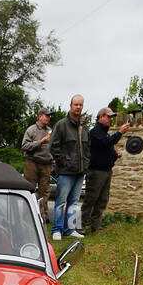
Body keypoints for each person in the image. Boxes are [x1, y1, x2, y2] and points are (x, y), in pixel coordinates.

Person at [83, 108, 130, 232]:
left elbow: (105, 150)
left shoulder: (105, 133)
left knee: (102, 200)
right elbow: (105, 143)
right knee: (91, 199)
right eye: (108, 117)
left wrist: (115, 155)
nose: (110, 120)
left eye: (111, 117)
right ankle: (80, 225)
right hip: (96, 172)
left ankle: (96, 226)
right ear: (101, 117)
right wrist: (119, 133)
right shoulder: (95, 132)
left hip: (107, 171)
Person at [49, 94, 89, 240]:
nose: (78, 107)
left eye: (81, 105)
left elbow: (87, 148)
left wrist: (86, 163)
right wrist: (63, 162)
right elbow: (53, 146)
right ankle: (57, 230)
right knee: (60, 202)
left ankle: (70, 229)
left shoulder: (84, 128)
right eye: (76, 104)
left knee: (74, 202)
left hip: (80, 171)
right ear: (70, 105)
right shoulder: (61, 125)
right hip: (66, 171)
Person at [21, 110, 53, 226]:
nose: (48, 118)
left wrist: (52, 162)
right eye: (46, 116)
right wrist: (40, 142)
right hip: (32, 162)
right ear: (39, 116)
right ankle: (27, 216)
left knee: (44, 191)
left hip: (46, 164)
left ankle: (43, 216)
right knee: (29, 189)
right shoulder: (31, 130)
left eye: (49, 116)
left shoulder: (50, 131)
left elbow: (53, 147)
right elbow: (24, 146)